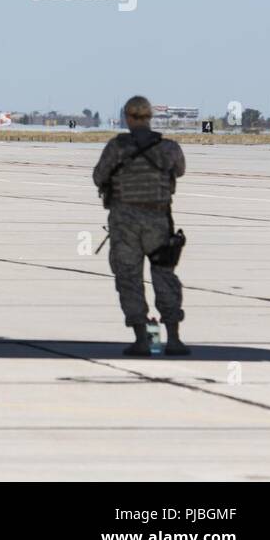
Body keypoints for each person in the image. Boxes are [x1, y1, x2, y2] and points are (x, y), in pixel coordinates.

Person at [92, 95, 189, 356]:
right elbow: (179, 170)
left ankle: (142, 339)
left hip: (125, 222)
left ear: (127, 117)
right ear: (149, 117)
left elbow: (99, 176)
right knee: (164, 275)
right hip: (158, 220)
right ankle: (174, 339)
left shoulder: (117, 147)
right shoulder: (168, 147)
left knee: (129, 278)